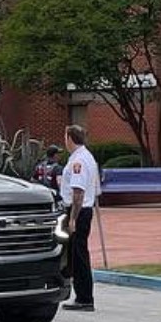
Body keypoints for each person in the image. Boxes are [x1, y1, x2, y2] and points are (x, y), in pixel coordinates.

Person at [58, 125, 99, 311]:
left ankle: (84, 297)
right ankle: (82, 295)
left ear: (69, 138)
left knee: (78, 255)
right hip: (82, 210)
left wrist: (73, 218)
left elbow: (78, 193)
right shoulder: (85, 156)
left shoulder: (79, 161)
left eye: (65, 137)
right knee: (77, 253)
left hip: (78, 211)